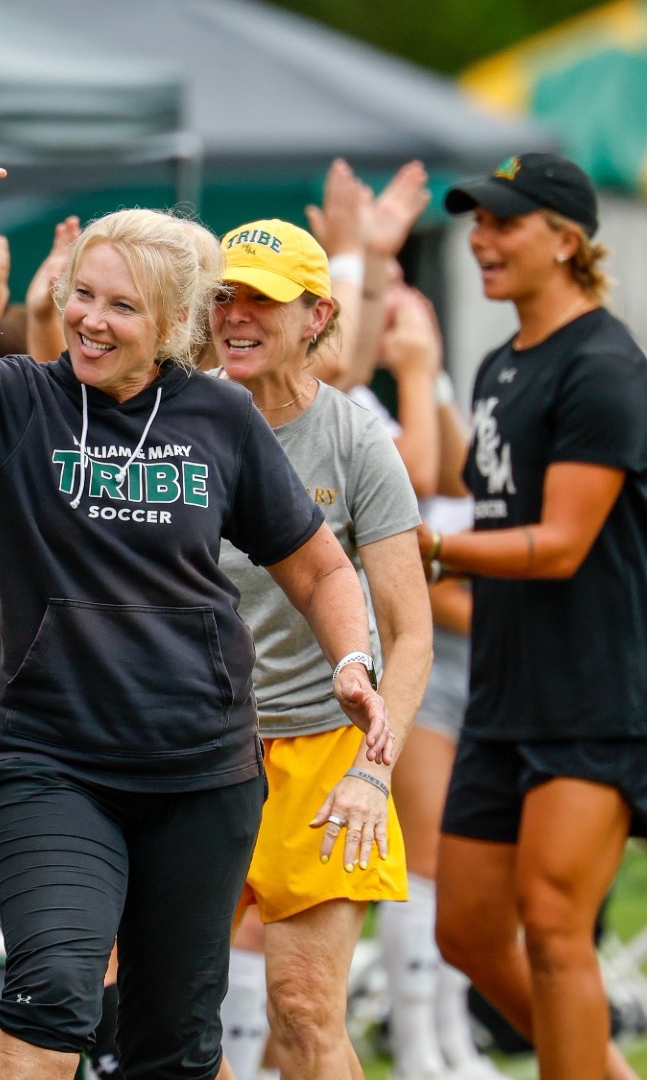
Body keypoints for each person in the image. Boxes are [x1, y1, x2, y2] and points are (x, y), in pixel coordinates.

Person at [0, 138, 392, 1079]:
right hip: (53, 763)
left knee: (175, 1049)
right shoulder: (14, 400)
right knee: (53, 999)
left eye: (120, 305)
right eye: (82, 296)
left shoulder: (221, 420)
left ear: (178, 320)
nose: (90, 322)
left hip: (202, 774)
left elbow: (319, 569)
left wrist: (352, 660)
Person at [428, 153, 647, 1080]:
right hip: (505, 695)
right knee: (470, 933)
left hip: (599, 696)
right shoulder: (497, 364)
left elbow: (560, 543)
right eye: (476, 223)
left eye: (504, 223)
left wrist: (428, 548)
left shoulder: (604, 367)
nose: (481, 239)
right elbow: (483, 507)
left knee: (557, 928)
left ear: (567, 241)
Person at [209, 219, 431, 1079]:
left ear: (316, 317)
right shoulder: (176, 416)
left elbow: (410, 635)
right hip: (193, 746)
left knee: (303, 1009)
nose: (236, 314)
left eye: (262, 299)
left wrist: (374, 772)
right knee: (145, 1006)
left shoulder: (355, 439)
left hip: (321, 751)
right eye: (224, 294)